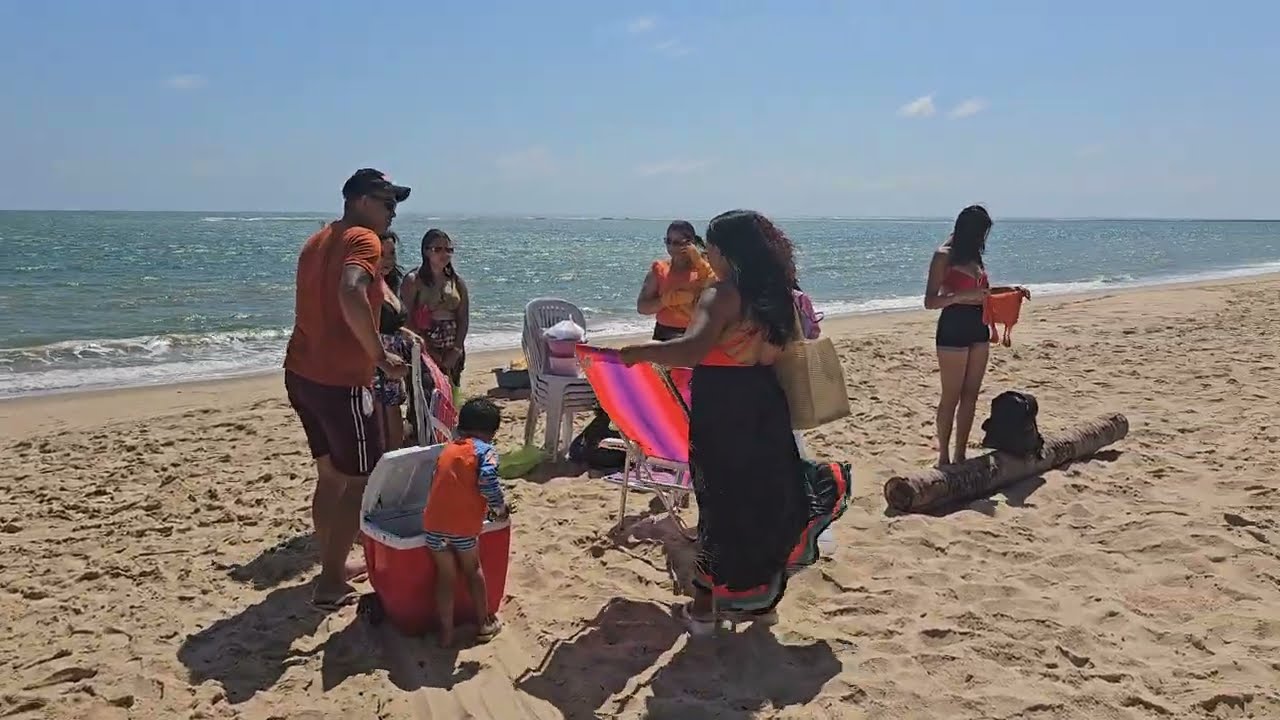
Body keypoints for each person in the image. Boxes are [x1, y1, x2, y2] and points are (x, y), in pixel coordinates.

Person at [619, 210, 849, 634]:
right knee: (762, 500)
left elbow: (689, 351)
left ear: (723, 251)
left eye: (711, 247)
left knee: (719, 504)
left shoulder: (720, 294)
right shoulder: (777, 294)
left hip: (722, 407)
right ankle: (762, 604)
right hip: (766, 400)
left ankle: (705, 610)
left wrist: (640, 352)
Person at [283, 168, 410, 610]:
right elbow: (351, 289)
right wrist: (377, 355)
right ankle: (332, 582)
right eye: (387, 201)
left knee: (331, 476)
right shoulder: (363, 239)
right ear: (358, 200)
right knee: (360, 479)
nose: (393, 211)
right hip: (340, 382)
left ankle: (330, 565)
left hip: (301, 373)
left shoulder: (317, 239)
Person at [924, 205, 1030, 466]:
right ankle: (943, 456)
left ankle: (960, 454)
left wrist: (1012, 290)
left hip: (978, 326)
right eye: (981, 233)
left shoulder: (974, 258)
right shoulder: (943, 256)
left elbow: (985, 292)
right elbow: (930, 301)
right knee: (951, 395)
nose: (983, 239)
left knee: (970, 394)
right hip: (953, 325)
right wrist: (962, 296)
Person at [421, 397, 508, 646]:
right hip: (462, 526)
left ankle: (446, 632)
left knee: (445, 576)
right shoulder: (484, 451)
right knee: (472, 570)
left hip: (434, 524)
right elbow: (489, 481)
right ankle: (483, 623)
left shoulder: (447, 449)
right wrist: (499, 508)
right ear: (491, 432)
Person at [373, 231, 423, 451]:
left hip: (393, 364)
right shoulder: (363, 286)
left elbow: (388, 322)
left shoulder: (388, 282)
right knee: (380, 426)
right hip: (375, 363)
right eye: (380, 254)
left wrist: (405, 332)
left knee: (394, 420)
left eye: (391, 253)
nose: (387, 259)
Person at [402, 229, 469, 388]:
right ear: (426, 251)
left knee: (450, 393)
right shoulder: (414, 281)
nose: (444, 254)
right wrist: (429, 350)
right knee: (424, 394)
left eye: (449, 250)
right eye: (437, 249)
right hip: (423, 343)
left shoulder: (456, 282)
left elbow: (463, 317)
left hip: (451, 345)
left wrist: (457, 349)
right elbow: (407, 319)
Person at [636, 220, 717, 340]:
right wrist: (666, 300)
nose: (672, 247)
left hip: (696, 333)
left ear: (692, 243)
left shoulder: (705, 269)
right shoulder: (659, 269)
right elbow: (642, 308)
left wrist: (699, 261)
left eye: (678, 242)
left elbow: (718, 294)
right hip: (665, 332)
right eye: (668, 241)